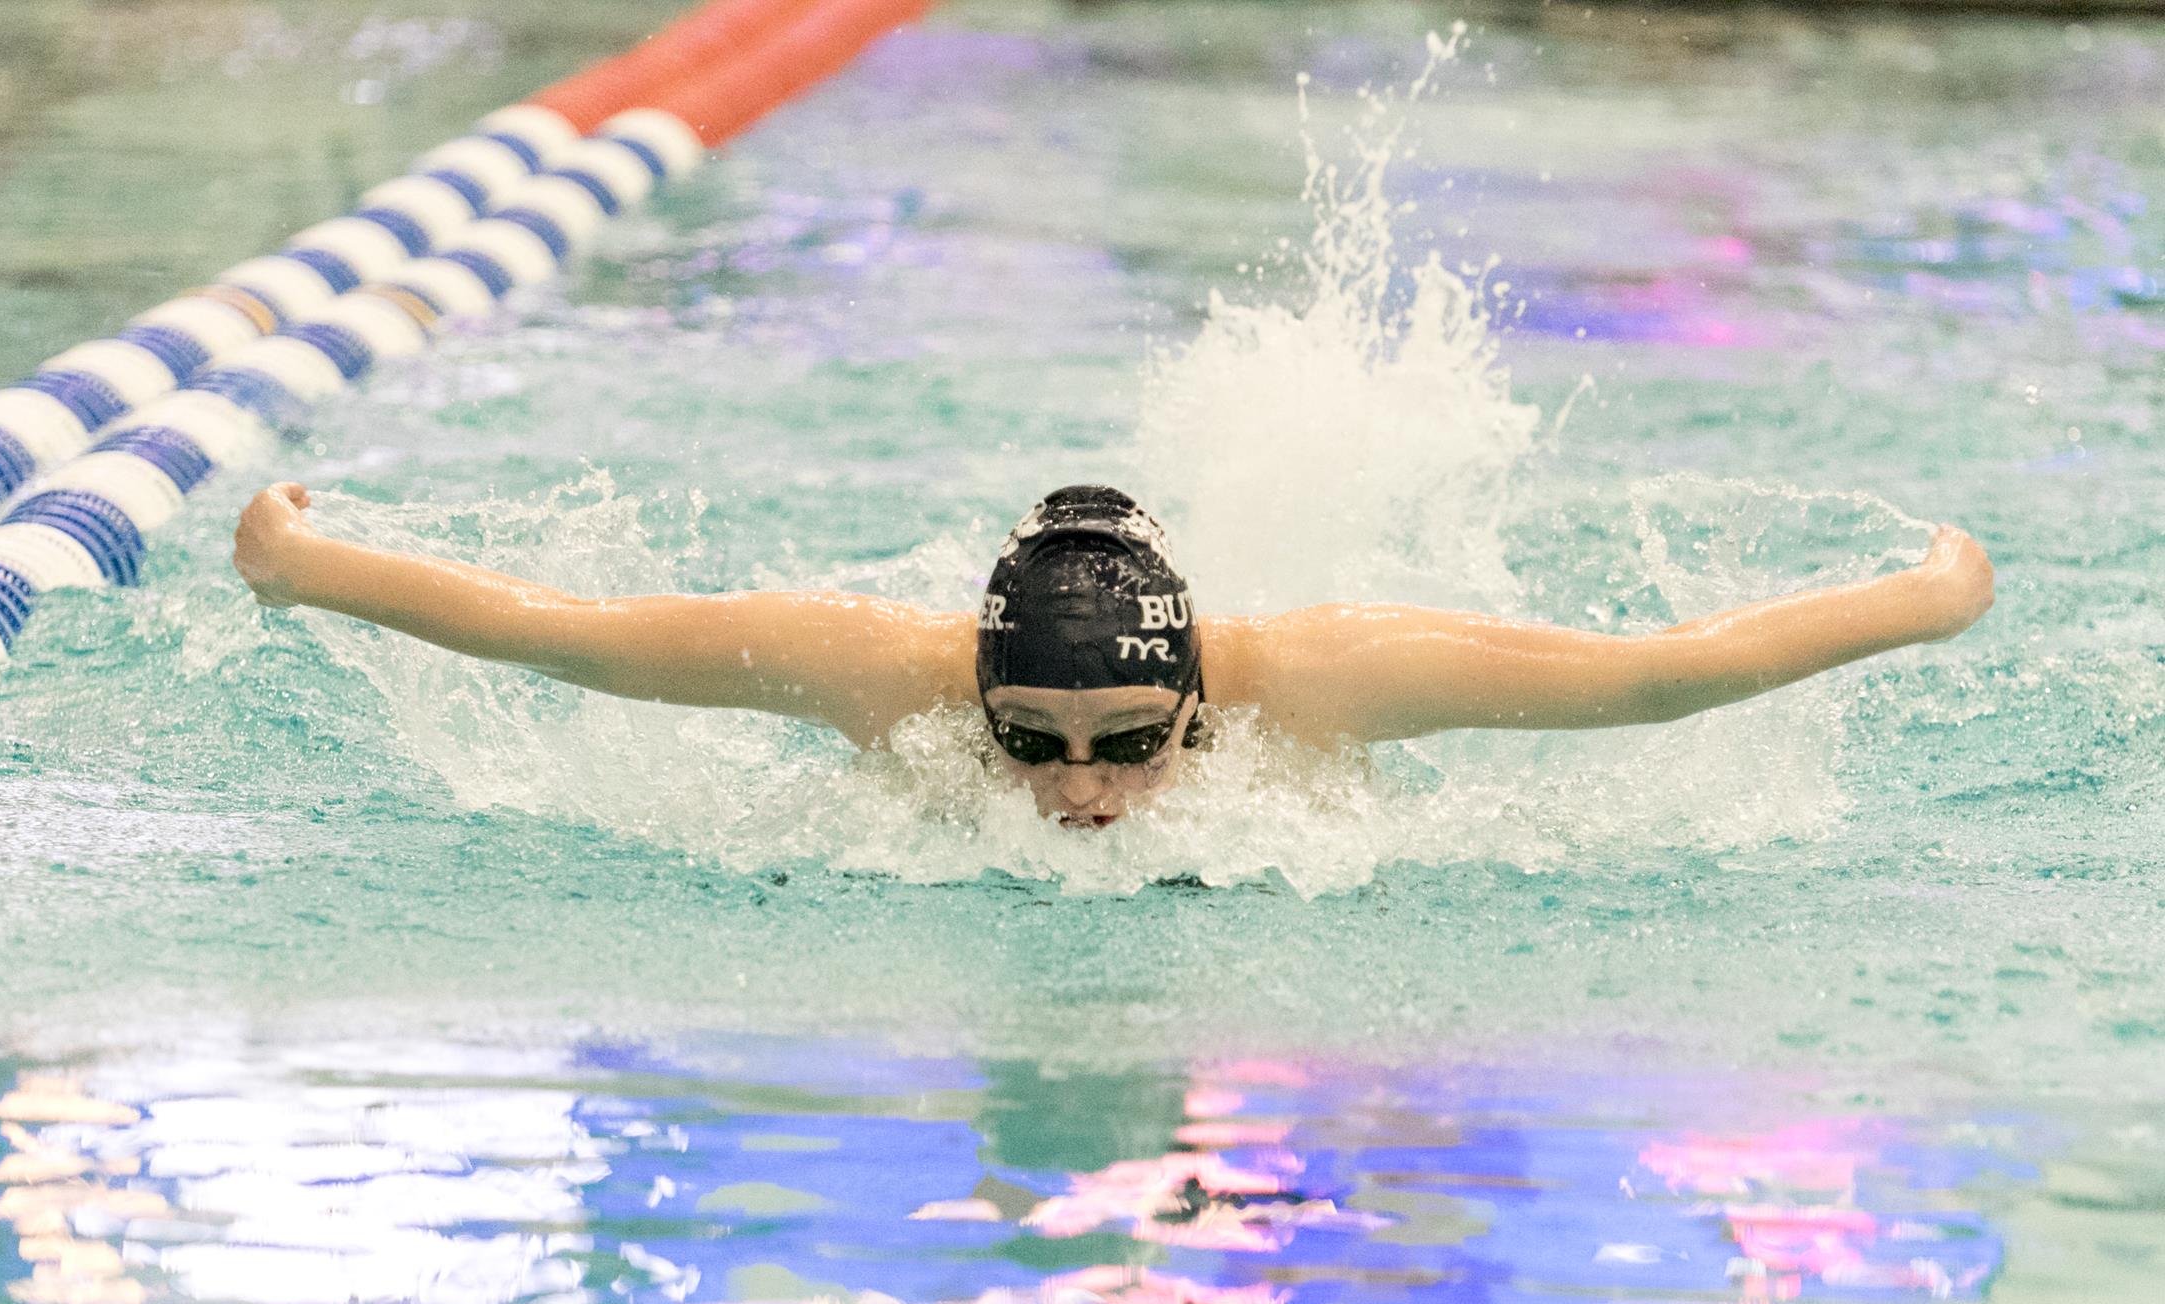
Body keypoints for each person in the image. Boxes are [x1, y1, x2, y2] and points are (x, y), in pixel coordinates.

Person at [232, 480, 1994, 829]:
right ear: (974, 693)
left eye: (1134, 744)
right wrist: (306, 563)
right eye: (1030, 743)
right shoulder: (887, 670)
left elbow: (1651, 676)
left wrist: (1935, 597)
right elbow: (583, 644)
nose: (1079, 791)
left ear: (1202, 695)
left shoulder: (1321, 675)